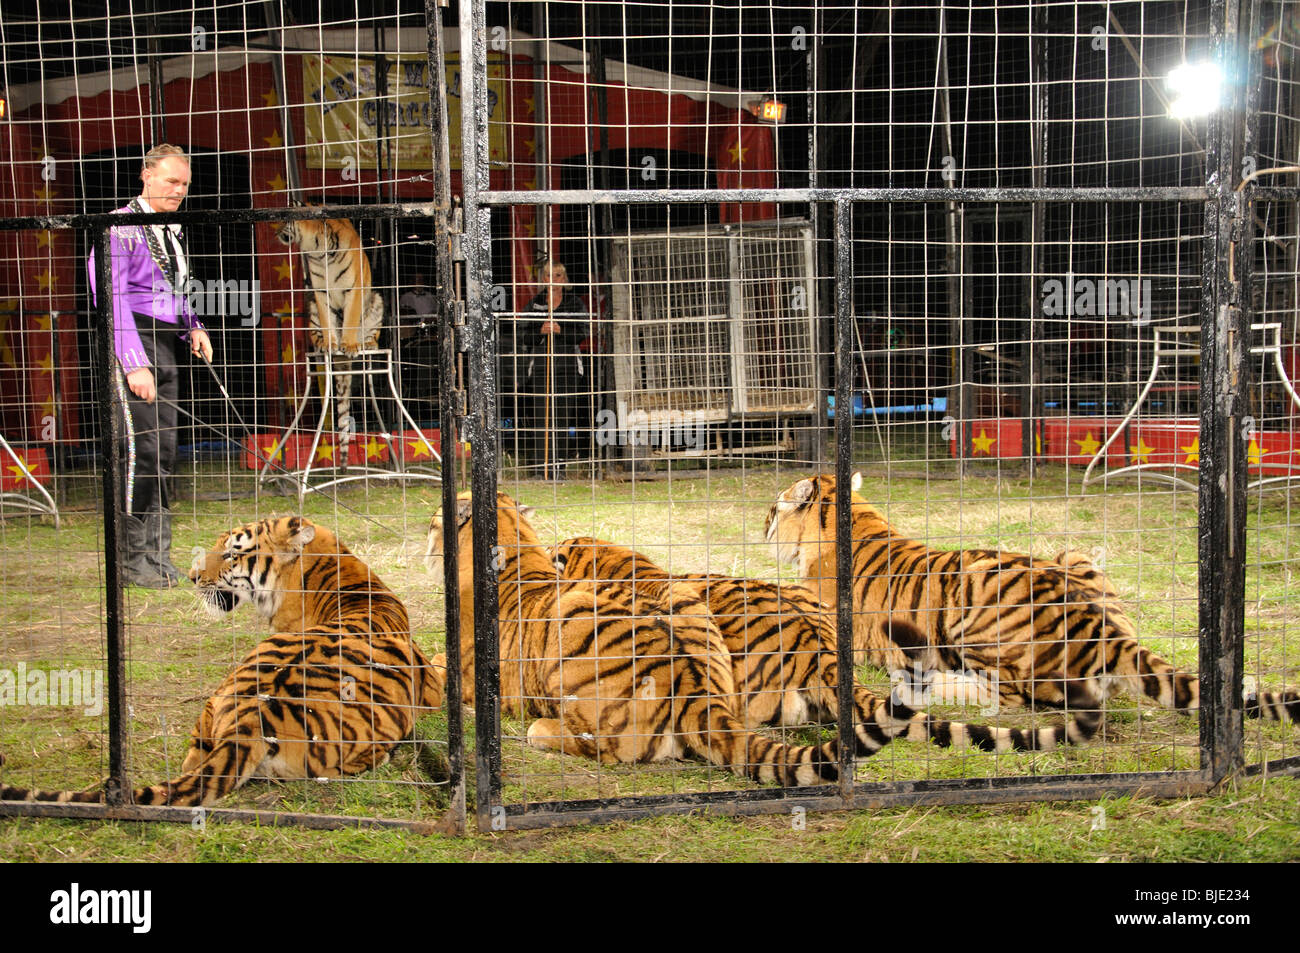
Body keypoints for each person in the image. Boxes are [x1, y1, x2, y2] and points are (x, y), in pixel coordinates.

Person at [88, 144, 213, 588]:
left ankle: (157, 555)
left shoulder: (170, 230)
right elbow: (113, 299)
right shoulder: (120, 228)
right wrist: (133, 363)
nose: (178, 191)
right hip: (133, 343)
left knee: (163, 451)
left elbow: (173, 288)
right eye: (170, 181)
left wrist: (192, 325)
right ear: (145, 176)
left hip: (164, 342)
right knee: (139, 453)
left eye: (184, 185)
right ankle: (130, 559)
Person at [522, 258, 589, 478]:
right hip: (541, 368)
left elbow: (583, 332)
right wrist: (540, 331)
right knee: (542, 418)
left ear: (564, 278)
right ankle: (541, 469)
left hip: (568, 368)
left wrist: (561, 330)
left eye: (558, 275)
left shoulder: (574, 302)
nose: (554, 280)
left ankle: (559, 468)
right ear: (543, 279)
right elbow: (524, 336)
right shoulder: (535, 303)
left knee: (561, 418)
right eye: (550, 275)